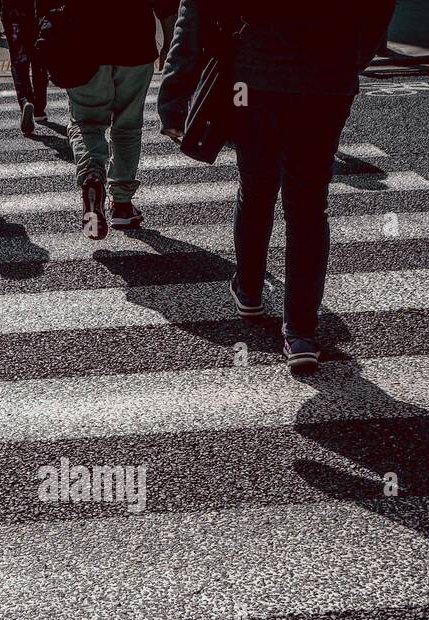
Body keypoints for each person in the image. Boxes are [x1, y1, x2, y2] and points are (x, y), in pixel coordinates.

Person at [158, 0, 394, 368]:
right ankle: (300, 333)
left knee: (256, 186)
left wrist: (173, 95)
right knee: (309, 206)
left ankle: (250, 288)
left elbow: (196, 11)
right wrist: (352, 56)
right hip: (325, 79)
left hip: (253, 78)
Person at [45, 0, 158, 239]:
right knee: (127, 124)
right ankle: (122, 204)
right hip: (135, 40)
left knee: (86, 123)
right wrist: (170, 37)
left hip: (82, 44)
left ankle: (92, 177)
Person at [2, 0, 49, 133]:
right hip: (38, 12)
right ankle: (39, 107)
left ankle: (25, 101)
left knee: (19, 61)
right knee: (39, 60)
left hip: (14, 13)